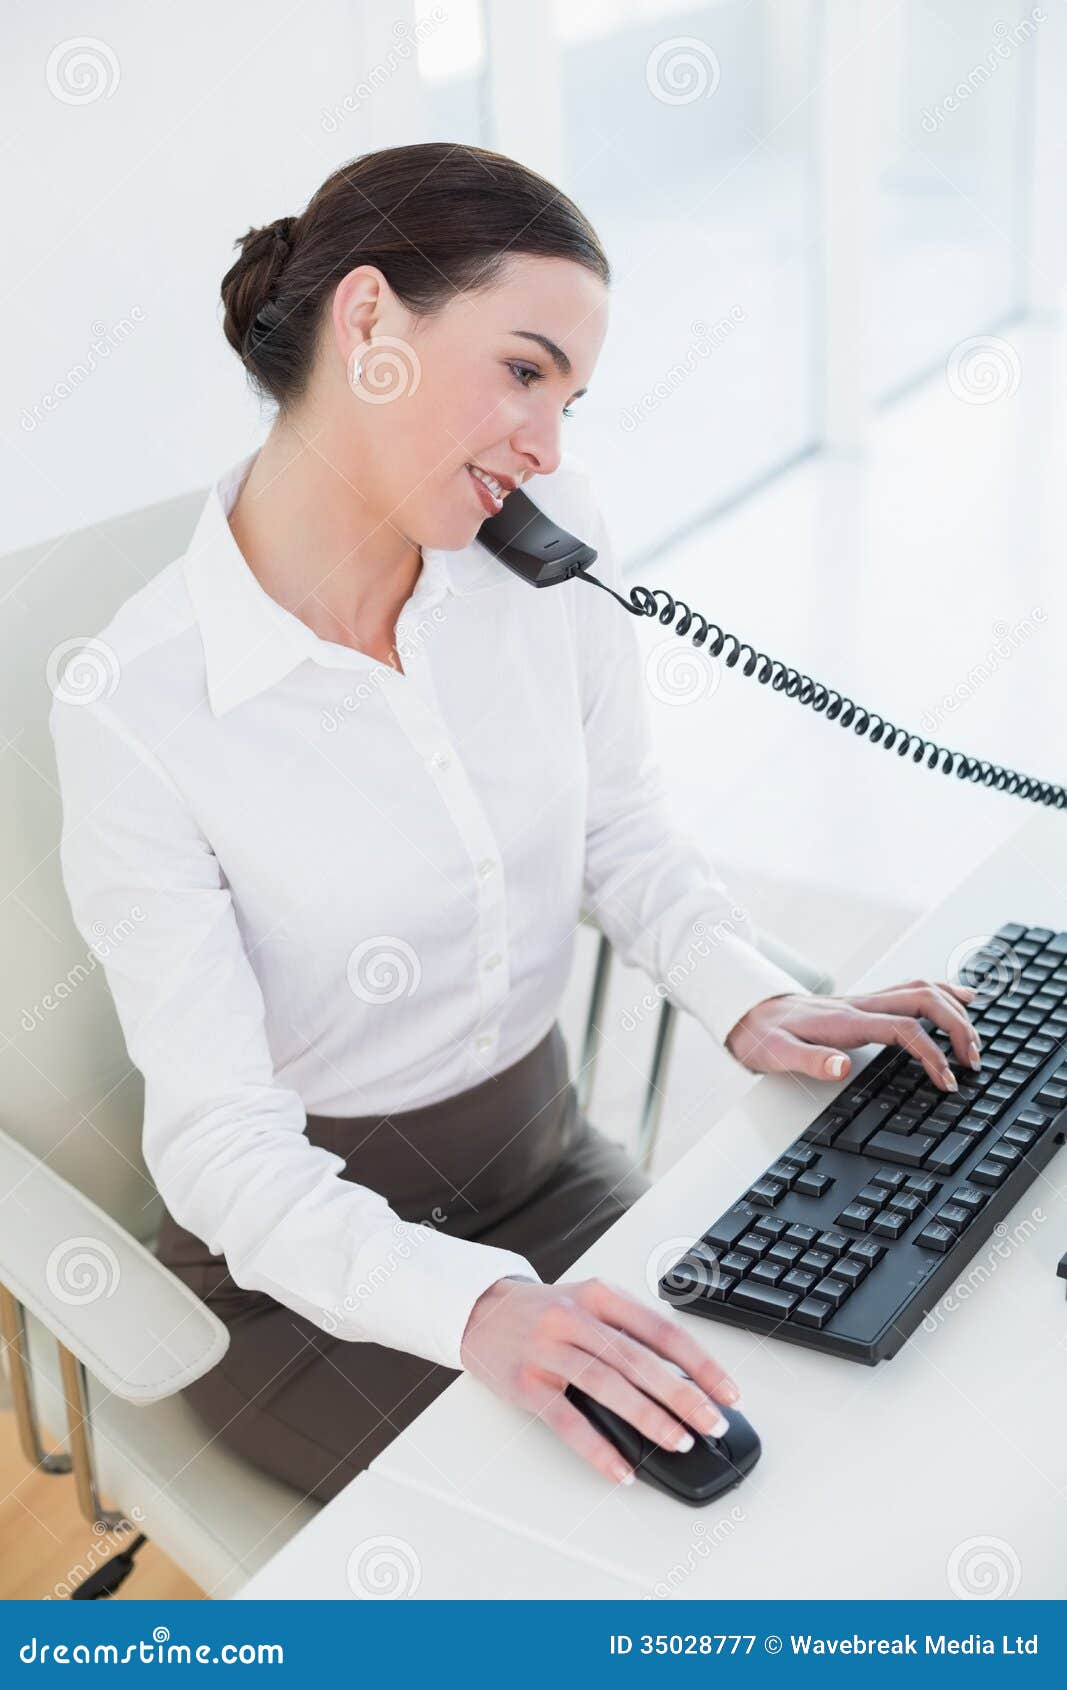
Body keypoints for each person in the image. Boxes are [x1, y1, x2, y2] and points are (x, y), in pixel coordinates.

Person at [49, 142, 980, 1506]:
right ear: (366, 323)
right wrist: (479, 1309)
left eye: (574, 397)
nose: (550, 444)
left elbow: (622, 834)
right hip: (311, 1273)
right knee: (614, 1526)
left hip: (550, 1168)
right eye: (526, 370)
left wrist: (751, 997)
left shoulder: (542, 547)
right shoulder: (142, 706)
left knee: (796, 1438)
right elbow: (222, 1152)